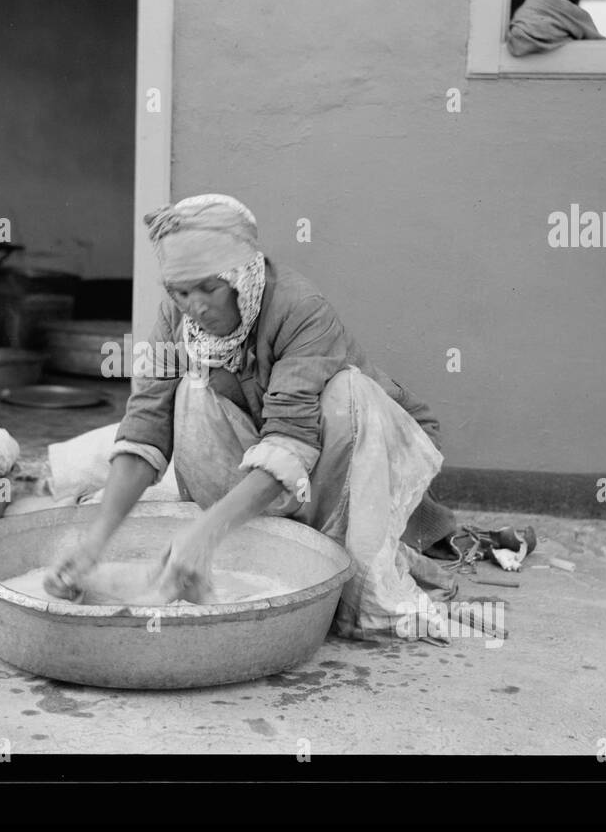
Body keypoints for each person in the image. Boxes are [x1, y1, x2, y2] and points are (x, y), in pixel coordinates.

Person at [43, 193, 458, 640]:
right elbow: (147, 421)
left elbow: (291, 439)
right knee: (188, 389)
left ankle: (349, 576)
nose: (196, 306)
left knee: (347, 390)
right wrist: (94, 543)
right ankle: (254, 539)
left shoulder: (301, 310)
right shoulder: (177, 320)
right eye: (182, 292)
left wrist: (204, 532)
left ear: (240, 277)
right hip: (270, 458)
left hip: (350, 458)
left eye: (209, 288)